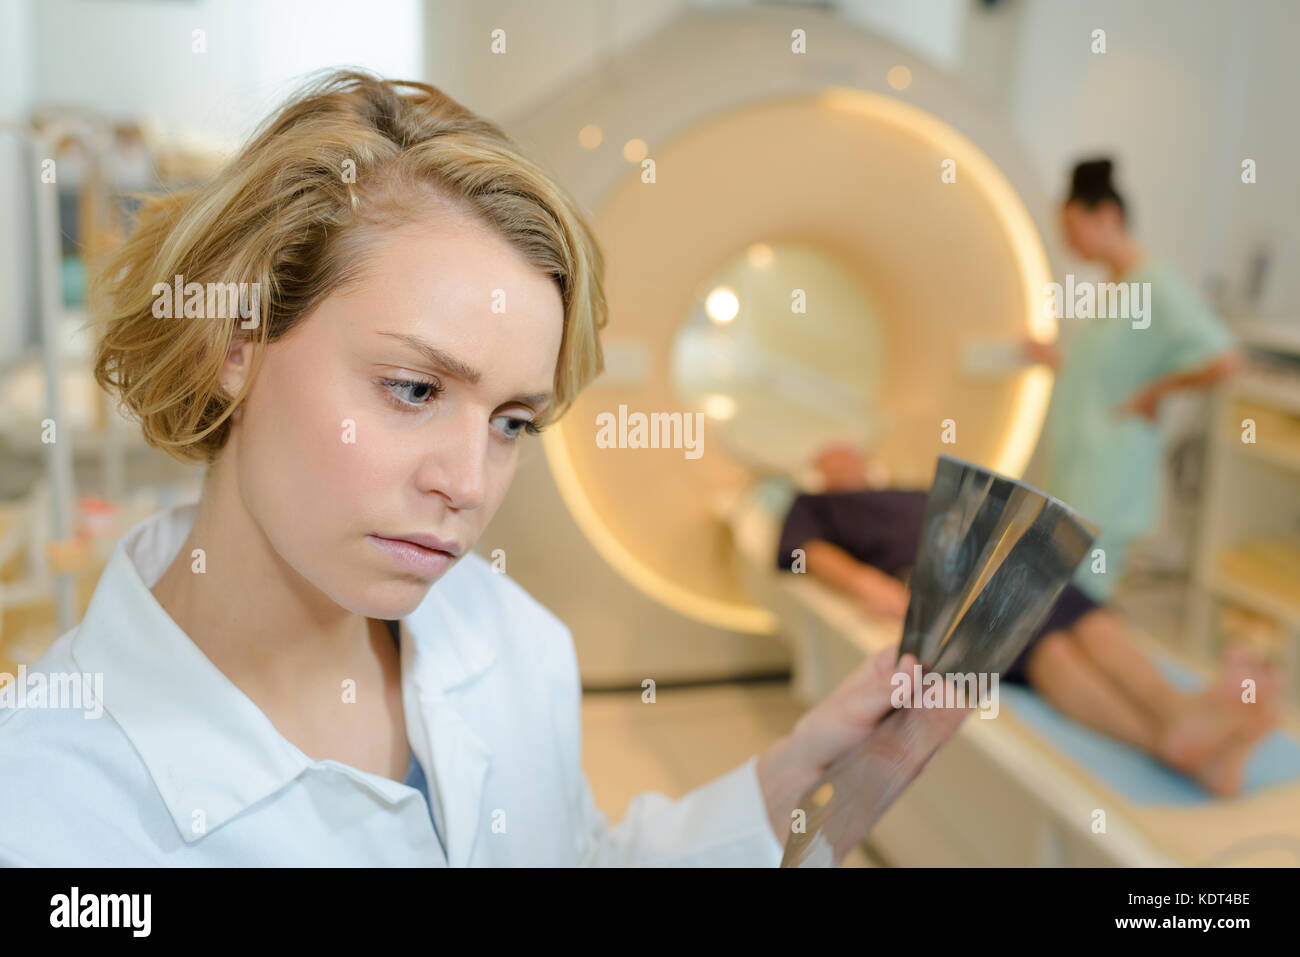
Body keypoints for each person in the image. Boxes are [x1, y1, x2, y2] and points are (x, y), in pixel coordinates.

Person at [0, 70, 966, 866]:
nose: (468, 482)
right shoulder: (50, 805)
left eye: (511, 420)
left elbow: (573, 855)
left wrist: (796, 778)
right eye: (414, 389)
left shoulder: (508, 637)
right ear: (235, 343)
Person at [776, 444, 1282, 797]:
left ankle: (1181, 713)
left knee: (1088, 620)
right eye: (831, 450)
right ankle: (1172, 739)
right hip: (946, 582)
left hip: (1001, 557)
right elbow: (810, 554)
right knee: (1048, 648)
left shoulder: (912, 488)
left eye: (851, 448)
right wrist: (870, 587)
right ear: (814, 465)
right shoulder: (814, 505)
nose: (845, 454)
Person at [1023, 158, 1243, 602]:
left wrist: (1154, 392)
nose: (1067, 241)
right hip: (1080, 469)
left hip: (1109, 476)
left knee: (1076, 603)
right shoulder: (1118, 286)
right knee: (1060, 596)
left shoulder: (1156, 283)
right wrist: (1055, 359)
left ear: (1107, 216)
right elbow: (1104, 373)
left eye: (1071, 227)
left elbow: (1225, 359)